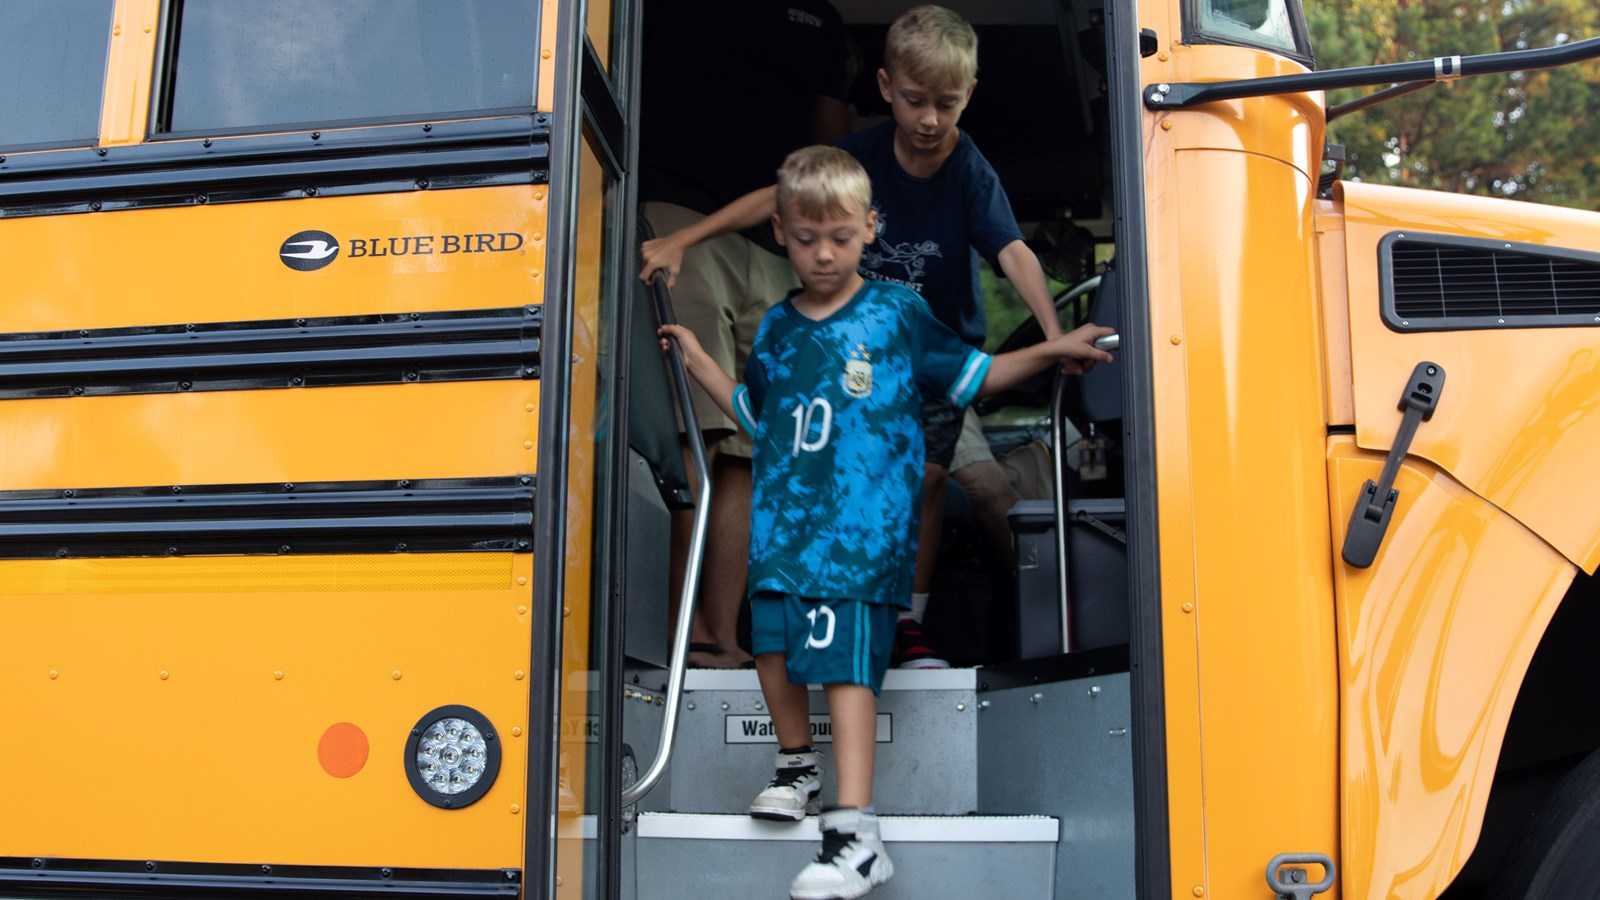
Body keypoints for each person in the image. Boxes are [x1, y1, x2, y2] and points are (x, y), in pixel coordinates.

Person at [659, 146, 1111, 900]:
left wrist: (1051, 346)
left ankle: (855, 834)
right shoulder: (776, 328)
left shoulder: (898, 315)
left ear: (871, 229)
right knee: (769, 647)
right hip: (786, 529)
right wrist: (704, 360)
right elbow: (757, 415)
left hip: (861, 533)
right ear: (779, 233)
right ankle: (797, 767)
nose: (824, 252)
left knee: (842, 669)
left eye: (840, 235)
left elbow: (976, 376)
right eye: (806, 239)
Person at [641, 5, 1060, 670]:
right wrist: (687, 238)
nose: (929, 120)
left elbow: (1010, 252)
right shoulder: (855, 163)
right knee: (813, 468)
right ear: (887, 88)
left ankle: (909, 625)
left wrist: (1055, 338)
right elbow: (781, 196)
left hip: (928, 354)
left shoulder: (967, 171)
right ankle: (793, 620)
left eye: (945, 104)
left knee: (928, 481)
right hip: (848, 347)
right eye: (916, 101)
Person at [638, 0, 854, 668]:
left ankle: (721, 637)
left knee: (750, 447)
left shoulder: (825, 21)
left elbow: (828, 151)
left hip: (774, 238)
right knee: (693, 440)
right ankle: (680, 637)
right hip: (680, 217)